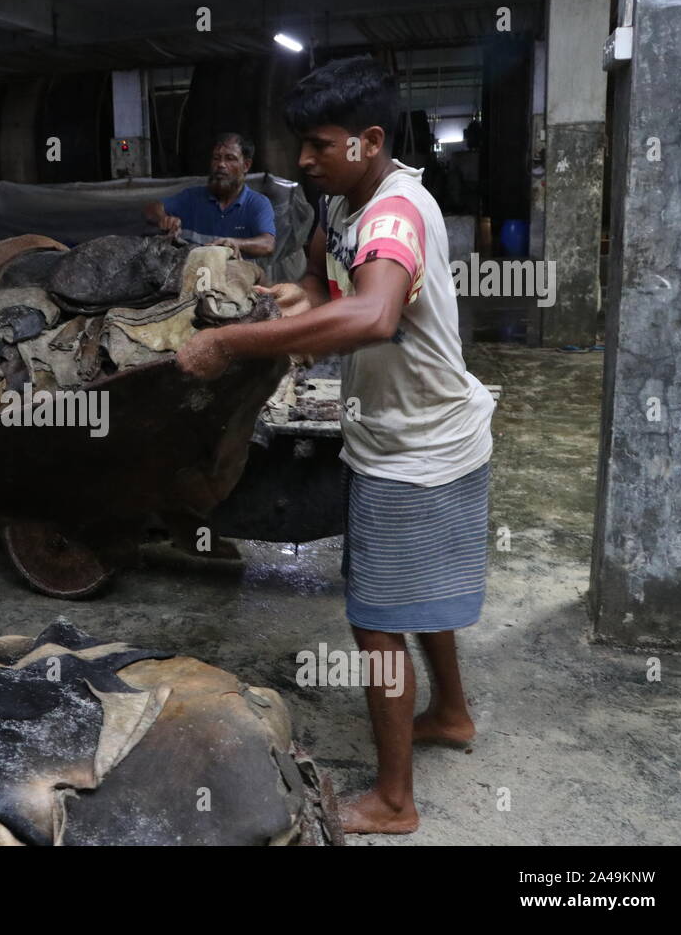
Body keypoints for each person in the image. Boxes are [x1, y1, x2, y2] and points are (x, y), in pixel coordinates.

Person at [176, 56, 496, 835]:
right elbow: (332, 293)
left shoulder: (394, 213)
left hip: (416, 446)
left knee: (377, 617)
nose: (304, 160)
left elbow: (375, 315)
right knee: (409, 589)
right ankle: (450, 713)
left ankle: (394, 801)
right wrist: (299, 297)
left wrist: (241, 343)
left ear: (371, 139)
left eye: (319, 145)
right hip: (399, 432)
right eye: (300, 145)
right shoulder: (341, 205)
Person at [143, 132, 278, 258]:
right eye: (216, 158)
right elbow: (151, 209)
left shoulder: (257, 204)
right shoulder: (191, 198)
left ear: (246, 166)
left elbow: (268, 244)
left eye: (230, 159)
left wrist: (234, 243)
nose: (221, 164)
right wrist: (164, 219)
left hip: (235, 279)